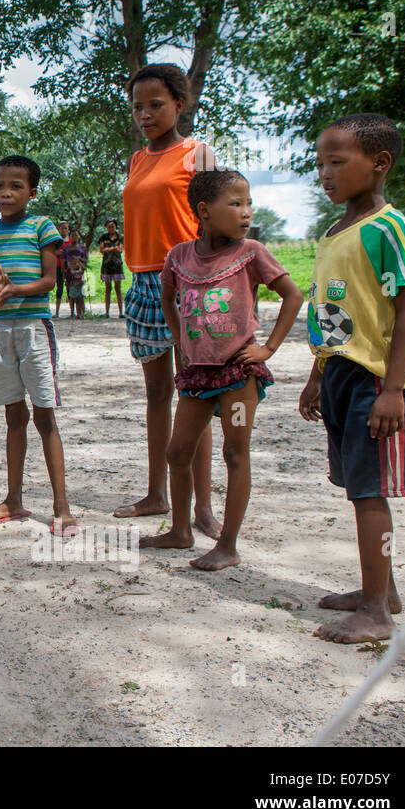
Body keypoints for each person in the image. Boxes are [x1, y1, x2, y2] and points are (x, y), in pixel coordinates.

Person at [298, 114, 405, 643]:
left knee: (369, 493)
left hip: (377, 382)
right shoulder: (333, 232)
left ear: (379, 164)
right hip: (341, 376)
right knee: (357, 486)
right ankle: (383, 589)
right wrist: (316, 374)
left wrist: (393, 389)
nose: (324, 174)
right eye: (320, 163)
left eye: (336, 162)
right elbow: (329, 313)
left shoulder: (388, 229)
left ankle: (376, 613)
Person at [140, 169, 302, 569]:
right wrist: (180, 338)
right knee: (178, 453)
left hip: (237, 374)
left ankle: (227, 545)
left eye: (249, 203)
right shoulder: (179, 256)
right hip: (199, 373)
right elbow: (167, 297)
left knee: (234, 452)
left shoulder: (251, 253)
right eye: (236, 203)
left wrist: (268, 347)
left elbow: (293, 296)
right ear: (204, 210)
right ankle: (180, 531)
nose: (246, 212)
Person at [114, 63, 220, 537]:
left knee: (195, 395)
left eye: (155, 104)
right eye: (137, 106)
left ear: (180, 103)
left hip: (190, 280)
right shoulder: (138, 159)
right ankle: (156, 493)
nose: (145, 114)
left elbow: (220, 218)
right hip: (142, 282)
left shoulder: (198, 153)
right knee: (157, 394)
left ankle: (202, 507)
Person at [0, 156, 73, 532]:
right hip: (0, 332)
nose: (6, 193)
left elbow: (48, 280)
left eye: (15, 186)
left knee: (44, 416)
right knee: (14, 417)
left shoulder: (41, 227)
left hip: (33, 330)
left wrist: (16, 290)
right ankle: (14, 500)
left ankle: (61, 506)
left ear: (32, 192)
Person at [99, 218, 125, 318]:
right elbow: (101, 250)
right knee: (108, 289)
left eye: (112, 226)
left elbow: (120, 250)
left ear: (115, 227)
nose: (111, 228)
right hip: (106, 265)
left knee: (118, 289)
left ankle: (121, 312)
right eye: (109, 226)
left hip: (117, 265)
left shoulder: (120, 237)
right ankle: (107, 312)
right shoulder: (103, 237)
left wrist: (108, 249)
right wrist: (113, 248)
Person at [61, 230, 87, 318]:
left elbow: (86, 260)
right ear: (70, 237)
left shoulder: (82, 247)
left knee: (80, 295)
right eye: (72, 235)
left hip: (80, 273)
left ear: (78, 236)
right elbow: (63, 260)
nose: (74, 237)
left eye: (76, 235)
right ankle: (72, 312)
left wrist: (79, 261)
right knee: (71, 294)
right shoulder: (66, 248)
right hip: (69, 273)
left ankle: (82, 313)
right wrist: (63, 271)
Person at [52, 221, 71, 319]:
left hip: (69, 267)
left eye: (66, 228)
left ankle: (72, 312)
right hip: (58, 266)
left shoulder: (71, 240)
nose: (64, 230)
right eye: (62, 228)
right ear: (58, 229)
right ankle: (57, 312)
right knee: (59, 288)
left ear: (68, 229)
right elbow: (52, 252)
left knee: (69, 288)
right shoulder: (56, 240)